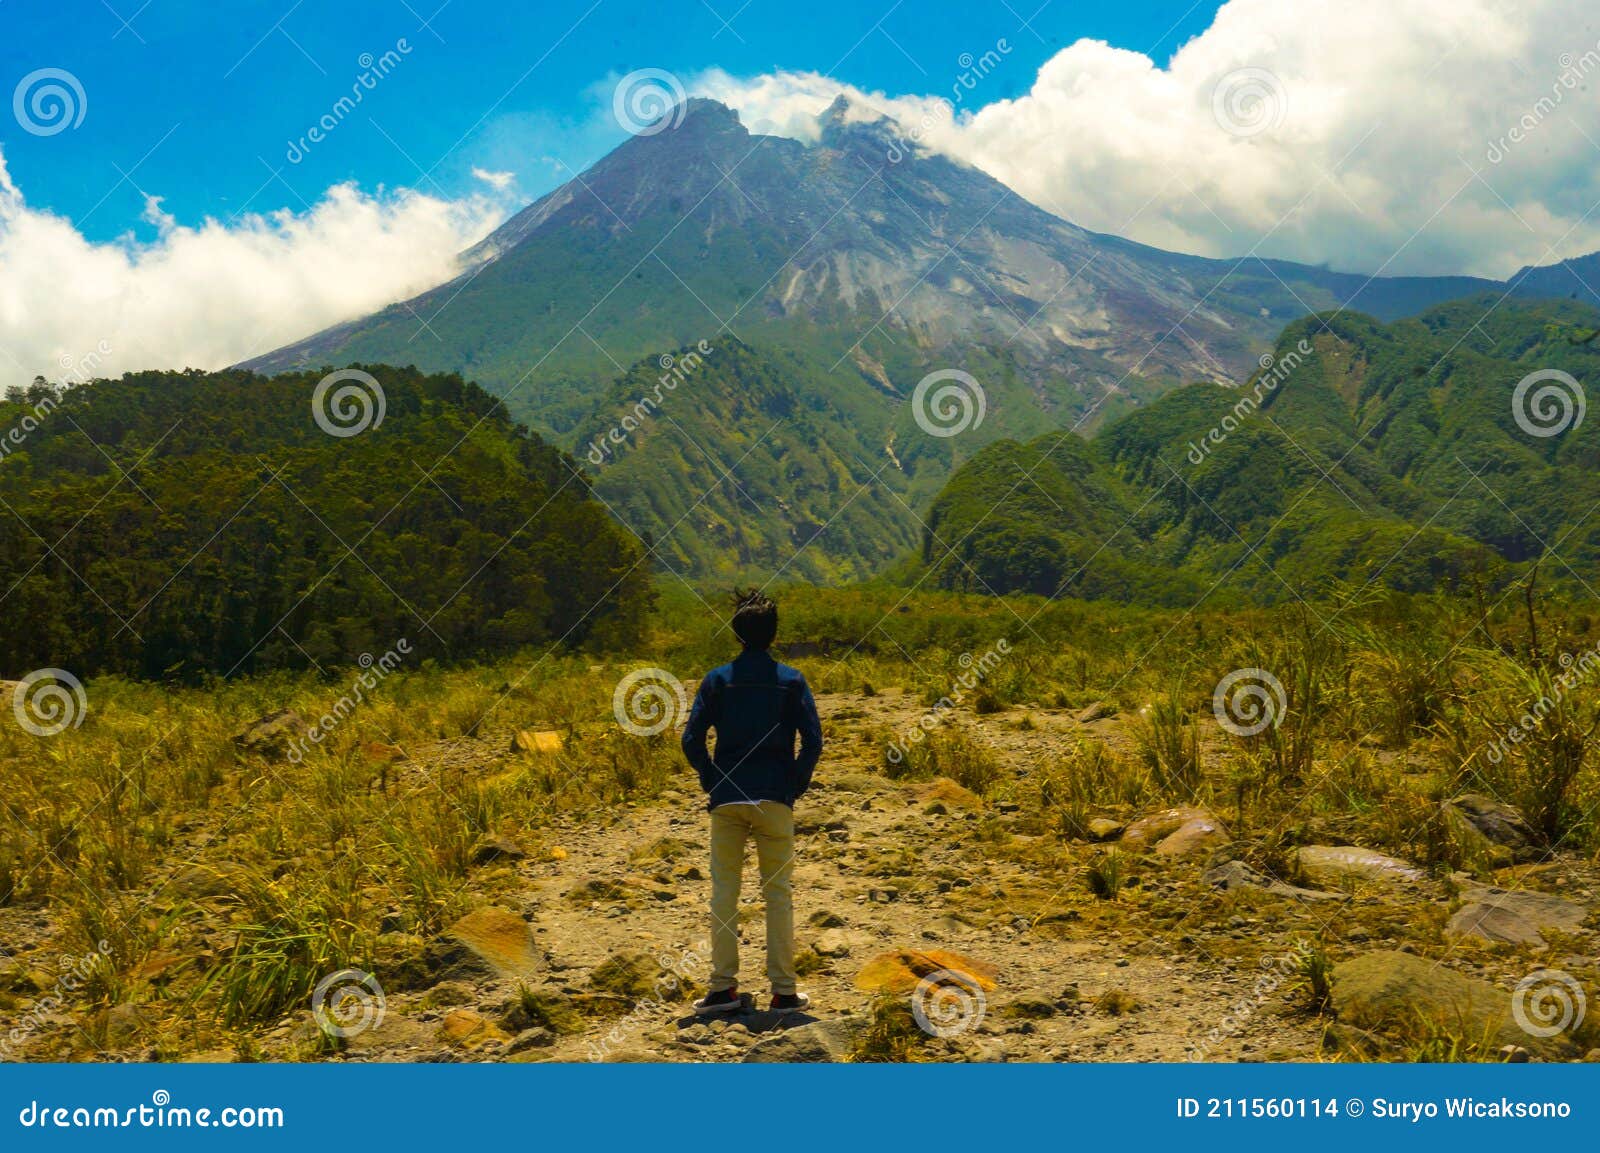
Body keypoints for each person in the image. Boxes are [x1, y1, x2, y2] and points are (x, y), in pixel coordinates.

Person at [681, 589, 823, 1015]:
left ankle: (722, 988)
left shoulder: (717, 680)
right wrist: (793, 784)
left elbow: (692, 739)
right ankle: (783, 991)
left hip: (727, 798)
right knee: (777, 893)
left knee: (724, 892)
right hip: (774, 797)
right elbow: (813, 740)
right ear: (774, 633)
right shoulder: (791, 680)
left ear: (737, 632)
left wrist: (711, 779)